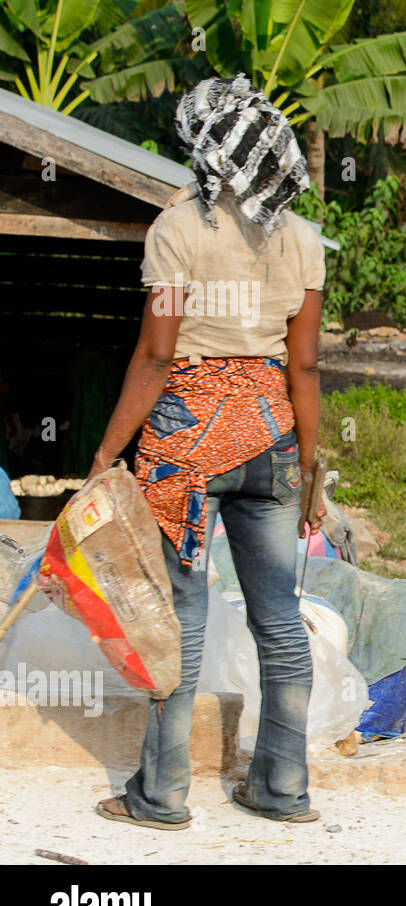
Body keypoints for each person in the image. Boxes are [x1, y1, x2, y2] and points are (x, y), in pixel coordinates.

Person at [90, 75, 326, 828]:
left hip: (184, 444)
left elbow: (156, 356)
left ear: (204, 148)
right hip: (273, 435)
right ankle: (284, 789)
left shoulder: (178, 229)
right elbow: (307, 367)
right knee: (280, 619)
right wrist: (310, 464)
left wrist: (105, 453)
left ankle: (160, 795)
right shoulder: (301, 237)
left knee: (178, 620)